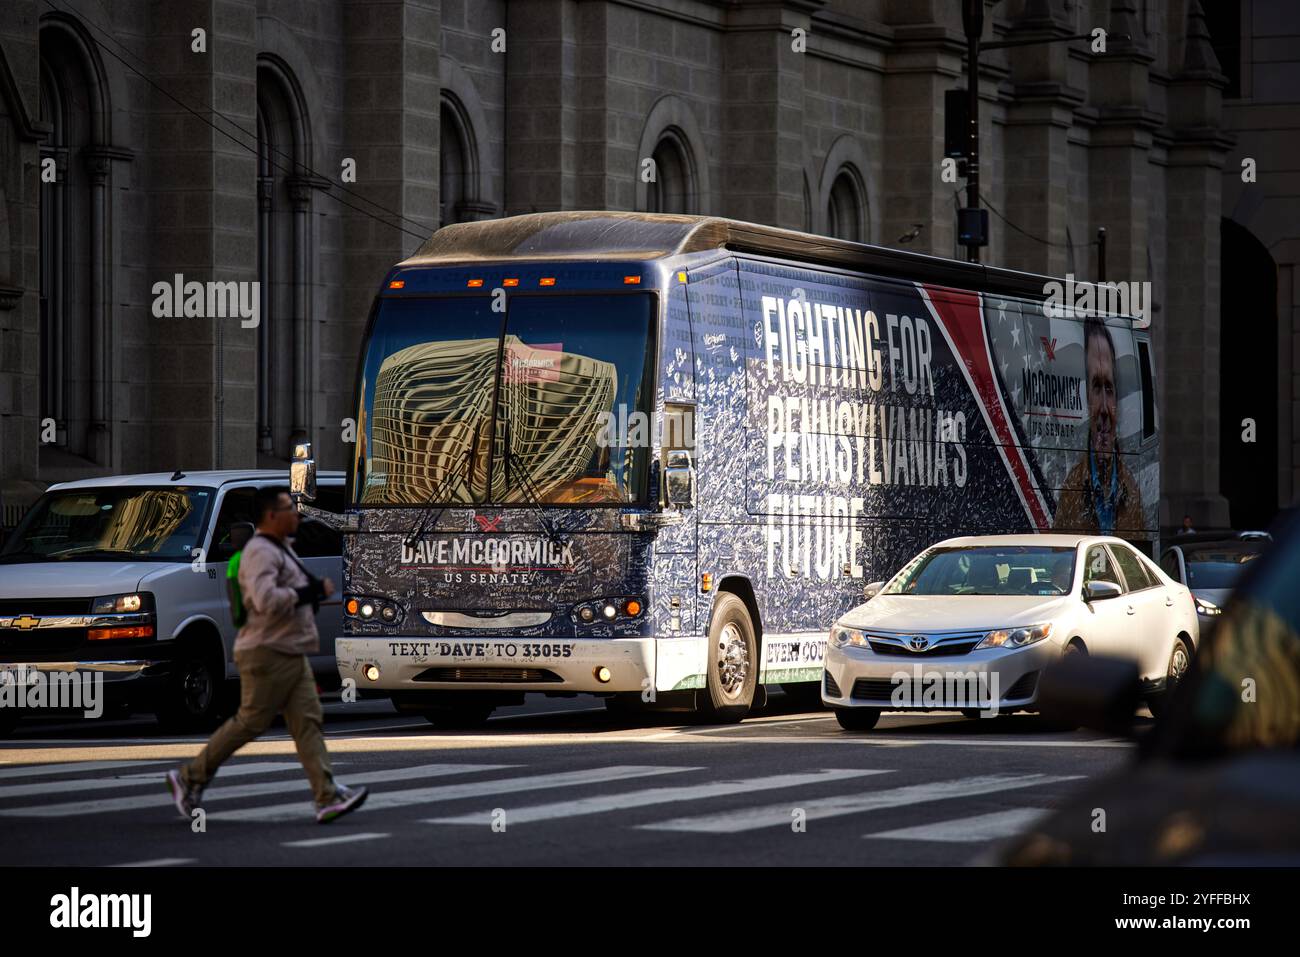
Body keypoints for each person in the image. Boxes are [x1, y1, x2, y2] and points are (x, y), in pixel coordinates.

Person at [167, 487, 368, 824]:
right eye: (290, 508)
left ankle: (327, 796)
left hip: (288, 650)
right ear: (272, 516)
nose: (297, 515)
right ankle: (188, 777)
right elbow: (264, 600)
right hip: (267, 651)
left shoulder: (280, 548)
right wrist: (312, 591)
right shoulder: (260, 551)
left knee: (307, 721)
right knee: (251, 722)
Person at [1053, 317, 1144, 535]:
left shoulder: (1132, 493)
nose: (1104, 408)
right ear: (1085, 397)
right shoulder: (1070, 491)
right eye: (1096, 387)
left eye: (1109, 388)